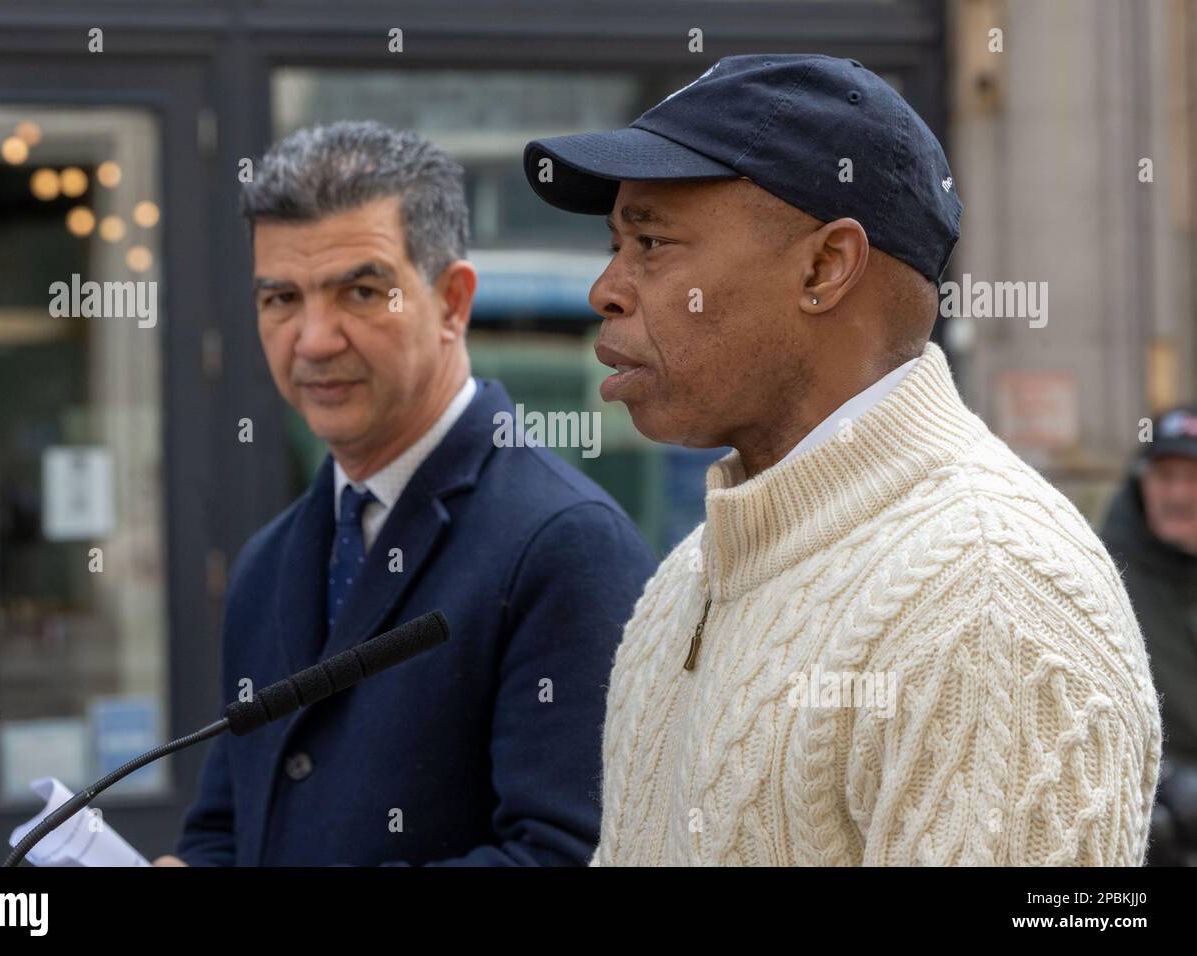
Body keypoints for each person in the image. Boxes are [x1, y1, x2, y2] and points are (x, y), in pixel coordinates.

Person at [522, 53, 1162, 865]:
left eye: (652, 241)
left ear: (825, 267)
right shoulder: (688, 577)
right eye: (617, 244)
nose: (606, 289)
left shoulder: (991, 592)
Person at [159, 121, 654, 866]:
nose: (314, 339)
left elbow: (565, 856)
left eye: (360, 291)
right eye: (281, 299)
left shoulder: (565, 545)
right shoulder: (268, 563)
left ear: (453, 301)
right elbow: (225, 829)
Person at [1100, 404, 1197, 865]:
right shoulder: (1107, 580)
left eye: (1192, 477)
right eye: (1164, 477)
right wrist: (1165, 779)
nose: (1178, 494)